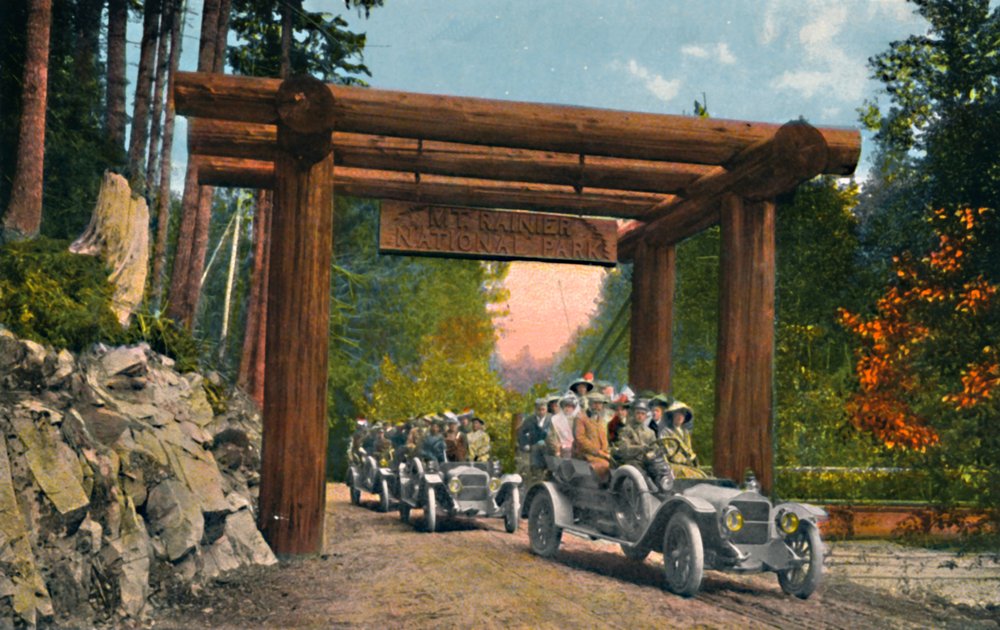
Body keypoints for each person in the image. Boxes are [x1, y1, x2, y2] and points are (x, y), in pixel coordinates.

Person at [658, 400, 708, 479]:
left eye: (682, 415)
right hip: (672, 464)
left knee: (702, 475)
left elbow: (689, 449)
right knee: (687, 474)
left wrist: (692, 458)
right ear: (672, 416)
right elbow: (668, 452)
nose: (680, 417)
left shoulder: (685, 433)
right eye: (677, 414)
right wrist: (683, 460)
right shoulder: (666, 432)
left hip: (687, 464)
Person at [574, 393, 612, 483]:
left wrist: (607, 451)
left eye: (600, 404)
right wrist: (598, 452)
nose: (598, 406)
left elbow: (604, 439)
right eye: (596, 403)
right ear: (590, 404)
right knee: (605, 466)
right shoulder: (581, 418)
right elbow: (580, 439)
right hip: (586, 455)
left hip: (603, 454)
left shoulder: (601, 420)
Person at [611, 400, 658, 468]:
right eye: (638, 413)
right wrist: (640, 448)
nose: (640, 416)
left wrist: (652, 453)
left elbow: (655, 448)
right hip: (631, 462)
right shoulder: (625, 430)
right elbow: (624, 450)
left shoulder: (650, 432)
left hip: (648, 461)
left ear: (646, 416)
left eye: (643, 414)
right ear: (633, 414)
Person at [517, 398, 550, 473]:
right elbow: (521, 433)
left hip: (549, 446)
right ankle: (535, 471)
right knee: (534, 457)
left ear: (546, 409)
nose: (541, 412)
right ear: (535, 410)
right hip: (533, 445)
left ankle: (548, 471)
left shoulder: (551, 419)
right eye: (539, 410)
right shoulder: (530, 420)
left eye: (543, 409)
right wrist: (525, 444)